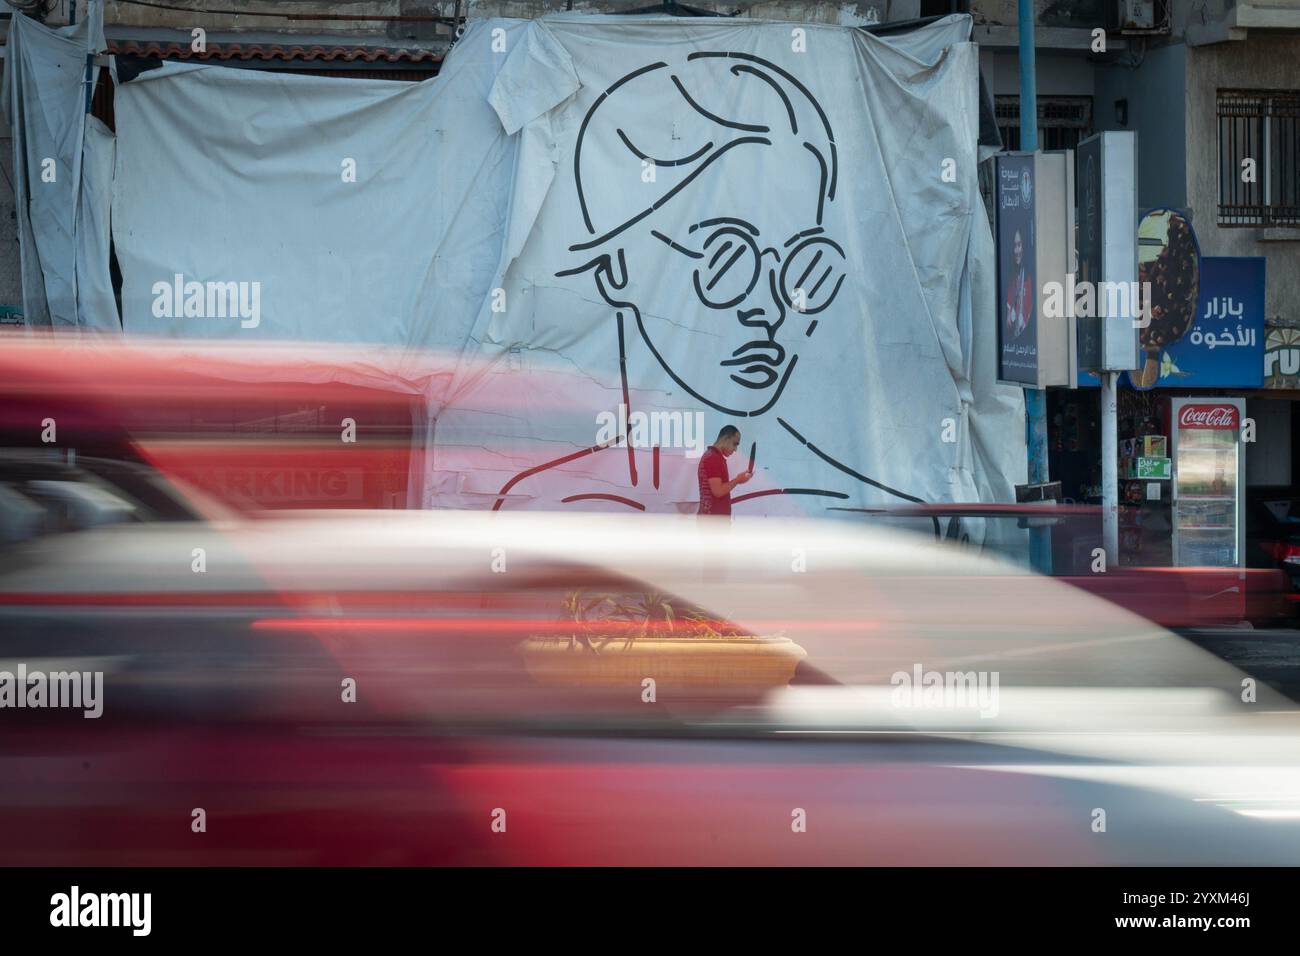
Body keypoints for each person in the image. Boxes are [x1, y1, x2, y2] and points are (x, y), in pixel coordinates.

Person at [698, 425, 751, 517]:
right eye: (735, 444)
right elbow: (718, 491)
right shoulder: (713, 458)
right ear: (726, 439)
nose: (735, 449)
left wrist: (738, 480)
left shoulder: (713, 456)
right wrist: (737, 480)